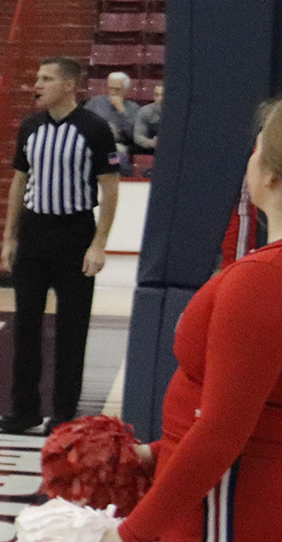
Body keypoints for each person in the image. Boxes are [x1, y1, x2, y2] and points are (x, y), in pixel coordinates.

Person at [103, 100, 282, 542]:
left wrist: (129, 534)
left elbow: (222, 433)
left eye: (257, 149)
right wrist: (157, 451)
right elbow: (257, 407)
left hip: (229, 504)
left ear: (270, 176)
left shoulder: (262, 278)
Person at [0, 56, 120, 435]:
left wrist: (99, 244)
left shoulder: (95, 129)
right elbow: (19, 181)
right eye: (38, 77)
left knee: (72, 328)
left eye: (46, 79)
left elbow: (110, 188)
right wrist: (9, 236)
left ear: (69, 85)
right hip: (34, 233)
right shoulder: (30, 126)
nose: (37, 84)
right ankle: (25, 410)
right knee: (26, 325)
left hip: (75, 233)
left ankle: (64, 412)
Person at [84, 71, 141, 153]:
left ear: (126, 90)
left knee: (116, 152)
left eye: (117, 89)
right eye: (110, 88)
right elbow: (82, 122)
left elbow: (134, 135)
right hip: (94, 142)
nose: (113, 92)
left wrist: (122, 111)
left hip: (117, 145)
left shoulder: (134, 108)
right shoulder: (96, 102)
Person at [133, 84, 164, 153]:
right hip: (150, 147)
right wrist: (152, 143)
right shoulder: (145, 111)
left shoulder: (179, 114)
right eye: (156, 95)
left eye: (163, 95)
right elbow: (138, 136)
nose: (160, 99)